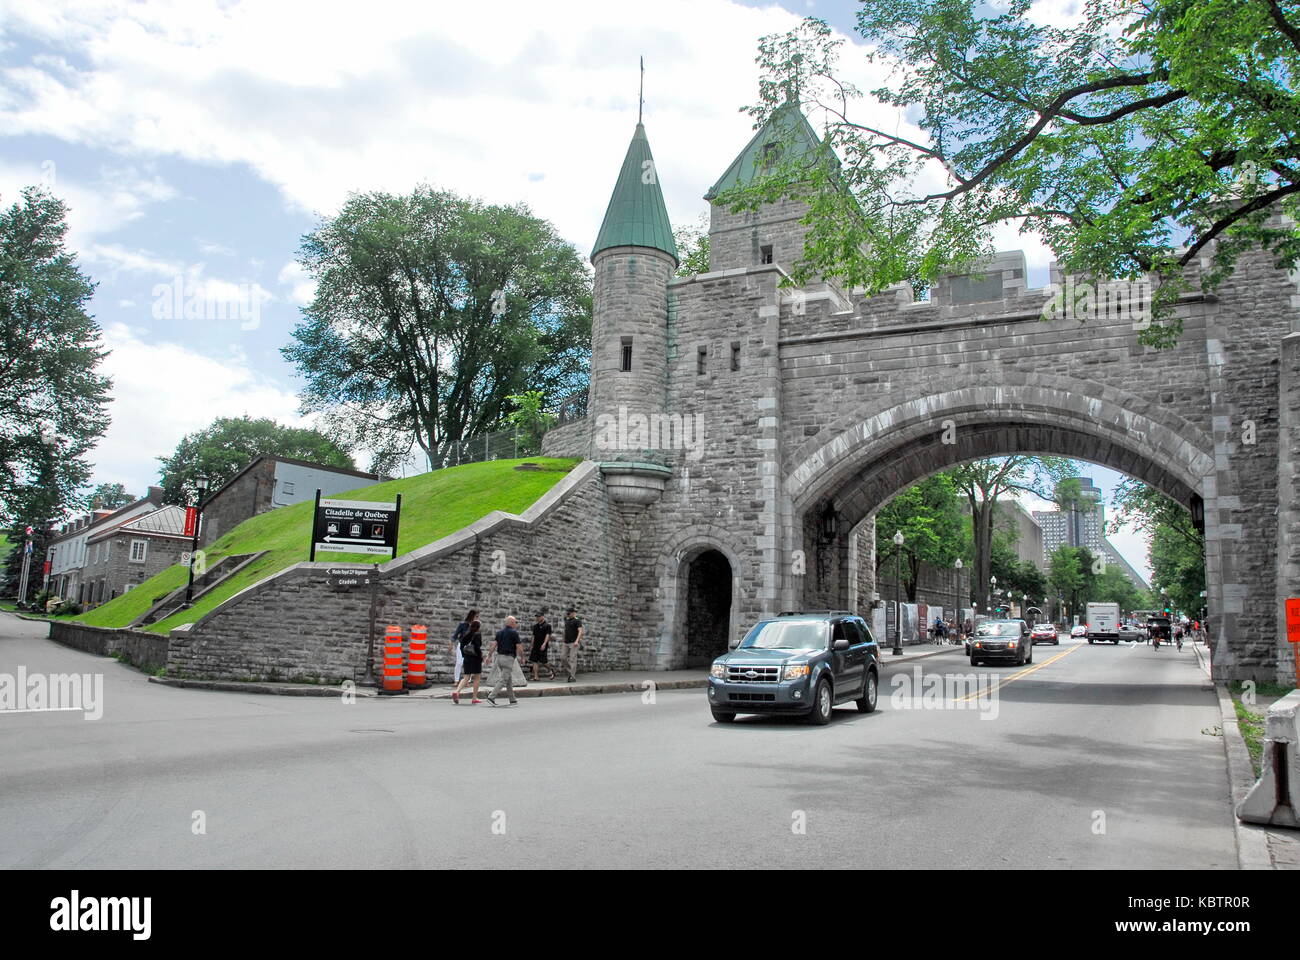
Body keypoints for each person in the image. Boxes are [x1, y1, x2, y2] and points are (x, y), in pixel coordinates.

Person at [486, 616, 523, 706]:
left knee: (508, 679)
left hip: (499, 658)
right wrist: (522, 657)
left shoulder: (499, 633)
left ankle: (512, 699)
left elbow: (494, 645)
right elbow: (519, 647)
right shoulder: (514, 633)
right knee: (503, 680)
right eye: (515, 622)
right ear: (511, 623)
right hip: (508, 658)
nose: (516, 624)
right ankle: (491, 697)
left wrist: (489, 656)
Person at [451, 619, 483, 704]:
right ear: (478, 627)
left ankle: (457, 692)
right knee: (477, 677)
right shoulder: (478, 634)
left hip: (467, 658)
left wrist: (464, 655)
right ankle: (474, 698)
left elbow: (461, 645)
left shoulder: (466, 634)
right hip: (475, 659)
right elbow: (477, 647)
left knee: (466, 677)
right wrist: (480, 657)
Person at [449, 609, 478, 688]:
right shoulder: (462, 624)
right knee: (459, 662)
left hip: (471, 646)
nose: (477, 618)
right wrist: (451, 644)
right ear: (472, 616)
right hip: (462, 644)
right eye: (476, 616)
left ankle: (467, 681)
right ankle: (456, 680)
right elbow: (456, 634)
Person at [529, 610, 556, 681]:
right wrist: (532, 645)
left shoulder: (547, 626)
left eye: (538, 616)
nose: (537, 618)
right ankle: (536, 677)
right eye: (536, 617)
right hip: (535, 645)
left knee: (543, 661)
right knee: (534, 660)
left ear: (542, 617)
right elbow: (533, 636)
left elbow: (547, 635)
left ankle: (551, 670)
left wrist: (544, 644)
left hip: (542, 645)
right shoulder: (535, 626)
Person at [561, 607, 583, 682]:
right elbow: (565, 630)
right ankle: (570, 673)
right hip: (566, 642)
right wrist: (563, 638)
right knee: (563, 658)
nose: (568, 615)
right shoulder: (567, 620)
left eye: (569, 613)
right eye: (567, 613)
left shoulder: (577, 620)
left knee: (572, 659)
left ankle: (572, 677)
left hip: (574, 643)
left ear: (573, 613)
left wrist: (577, 641)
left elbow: (580, 631)